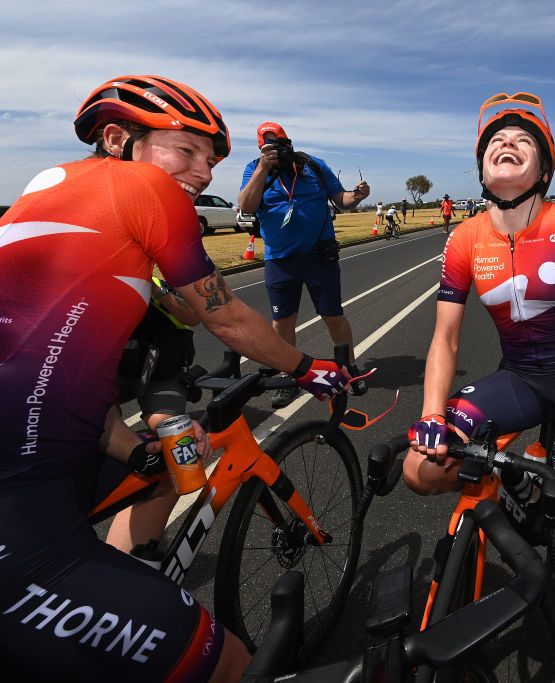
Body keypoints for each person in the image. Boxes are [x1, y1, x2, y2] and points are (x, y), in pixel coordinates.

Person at [0, 74, 359, 683]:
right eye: (186, 149)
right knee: (232, 665)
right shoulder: (146, 188)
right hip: (24, 510)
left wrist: (126, 439)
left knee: (170, 461)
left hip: (44, 455)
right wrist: (308, 367)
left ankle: (129, 568)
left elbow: (50, 355)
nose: (203, 172)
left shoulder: (46, 190)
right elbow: (225, 315)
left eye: (212, 159)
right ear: (118, 140)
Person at [404, 92, 555, 678]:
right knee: (420, 469)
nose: (506, 144)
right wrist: (431, 415)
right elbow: (445, 339)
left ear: (544, 170)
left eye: (522, 140)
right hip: (521, 377)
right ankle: (516, 485)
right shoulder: (464, 240)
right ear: (482, 168)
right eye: (496, 141)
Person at [238, 122, 371, 408]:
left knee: (333, 315)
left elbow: (342, 199)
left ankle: (349, 368)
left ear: (290, 142)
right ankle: (289, 377)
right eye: (268, 147)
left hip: (319, 257)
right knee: (282, 321)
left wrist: (357, 195)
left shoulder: (313, 165)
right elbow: (246, 206)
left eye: (280, 144)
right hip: (279, 260)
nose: (276, 151)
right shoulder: (253, 169)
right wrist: (263, 168)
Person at [109, 276, 205, 554]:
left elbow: (192, 317)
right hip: (101, 380)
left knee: (176, 456)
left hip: (158, 368)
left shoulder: (154, 284)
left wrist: (155, 289)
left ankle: (134, 558)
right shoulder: (86, 295)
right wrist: (133, 450)